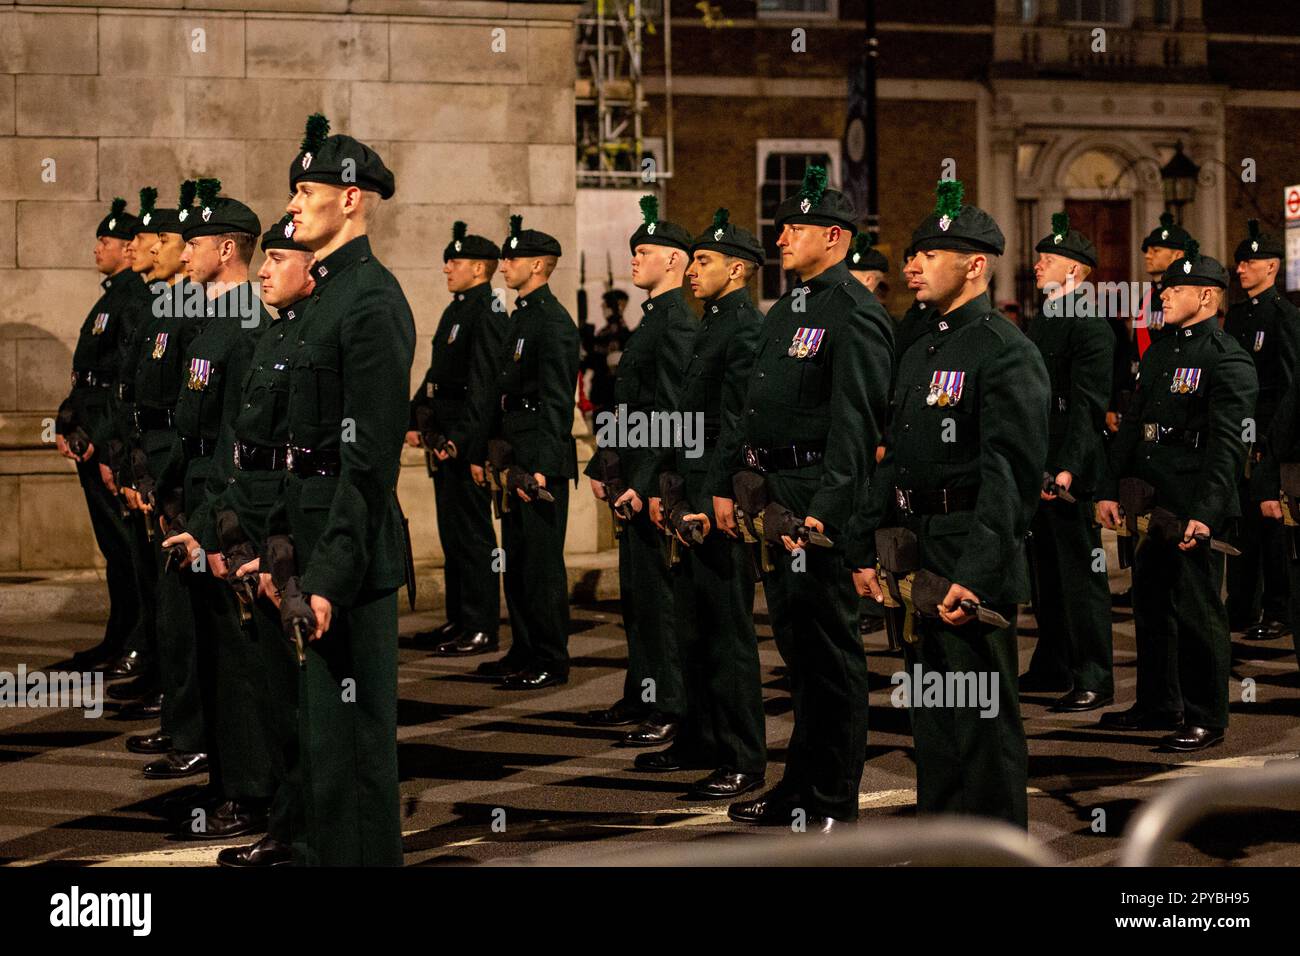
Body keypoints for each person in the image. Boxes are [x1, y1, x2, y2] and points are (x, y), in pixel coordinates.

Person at [849, 180, 1049, 827]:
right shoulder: (921, 348)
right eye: (913, 252)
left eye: (931, 253)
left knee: (982, 718)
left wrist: (978, 575)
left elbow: (1010, 478)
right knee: (933, 714)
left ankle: (995, 850)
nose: (912, 264)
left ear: (975, 264)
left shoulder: (1004, 351)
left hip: (967, 554)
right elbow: (894, 457)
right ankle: (944, 838)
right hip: (916, 552)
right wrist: (866, 549)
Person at [264, 113, 415, 865]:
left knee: (354, 756)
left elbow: (369, 460)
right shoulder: (322, 299)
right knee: (324, 747)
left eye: (306, 190)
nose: (293, 206)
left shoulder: (371, 302)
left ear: (351, 199)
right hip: (312, 543)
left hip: (346, 562)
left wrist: (327, 573)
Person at [724, 166, 893, 831]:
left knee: (832, 659)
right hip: (777, 494)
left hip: (818, 500)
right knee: (799, 655)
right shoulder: (790, 306)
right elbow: (756, 409)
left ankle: (831, 802)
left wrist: (828, 510)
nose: (782, 235)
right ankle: (799, 786)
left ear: (835, 236)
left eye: (796, 227)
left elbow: (857, 425)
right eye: (783, 225)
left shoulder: (855, 311)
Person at [1096, 240, 1257, 751]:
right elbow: (1134, 423)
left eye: (1176, 289)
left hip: (1192, 504)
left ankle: (1207, 715)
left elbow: (1228, 445)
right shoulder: (1163, 349)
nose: (1163, 296)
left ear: (1208, 298)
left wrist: (1206, 514)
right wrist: (1109, 487)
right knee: (1150, 604)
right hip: (1153, 498)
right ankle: (1157, 702)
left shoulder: (1225, 357)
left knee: (1197, 612)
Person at [634, 207, 766, 800]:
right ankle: (698, 736)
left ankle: (742, 756)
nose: (693, 270)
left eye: (704, 261)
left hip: (715, 501)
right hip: (687, 496)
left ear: (737, 270)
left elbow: (735, 422)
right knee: (692, 628)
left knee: (727, 635)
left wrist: (709, 493)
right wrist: (666, 482)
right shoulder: (711, 322)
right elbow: (680, 416)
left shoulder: (744, 328)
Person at [583, 196, 695, 743]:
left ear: (673, 260)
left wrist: (646, 484)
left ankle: (670, 702)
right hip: (630, 477)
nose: (635, 260)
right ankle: (642, 692)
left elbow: (673, 413)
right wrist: (605, 466)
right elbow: (628, 407)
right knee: (636, 597)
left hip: (654, 486)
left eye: (644, 251)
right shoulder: (652, 320)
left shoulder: (676, 322)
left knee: (658, 602)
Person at [472, 214, 580, 690]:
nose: (503, 266)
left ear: (538, 265)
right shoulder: (521, 316)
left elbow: (558, 399)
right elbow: (502, 389)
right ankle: (524, 648)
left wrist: (538, 466)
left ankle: (550, 658)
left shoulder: (553, 323)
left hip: (538, 458)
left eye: (511, 258)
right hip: (514, 454)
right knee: (515, 560)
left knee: (540, 566)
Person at [1020, 212, 1115, 711]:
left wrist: (1068, 468)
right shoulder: (1048, 315)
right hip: (1042, 460)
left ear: (1075, 271)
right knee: (1048, 577)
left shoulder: (1089, 322)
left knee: (1081, 576)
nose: (1038, 266)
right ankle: (1053, 663)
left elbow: (1087, 406)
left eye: (1048, 259)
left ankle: (1094, 674)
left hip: (1068, 469)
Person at [407, 221, 505, 656]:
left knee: (473, 535)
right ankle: (459, 618)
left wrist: (464, 441)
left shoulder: (488, 311)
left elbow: (483, 387)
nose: (447, 267)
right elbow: (437, 376)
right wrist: (413, 417)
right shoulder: (456, 309)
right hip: (441, 436)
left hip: (462, 440)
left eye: (456, 261)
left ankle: (482, 624)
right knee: (452, 534)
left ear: (481, 269)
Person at [57, 197, 145, 673]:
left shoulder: (131, 299)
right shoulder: (112, 296)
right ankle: (119, 636)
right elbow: (88, 373)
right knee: (114, 548)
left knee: (126, 548)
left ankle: (133, 641)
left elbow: (124, 380)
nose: (97, 248)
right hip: (90, 435)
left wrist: (108, 441)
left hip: (106, 441)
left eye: (105, 240)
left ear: (130, 247)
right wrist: (67, 419)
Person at [1223, 219, 1297, 641]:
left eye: (1250, 262)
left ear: (1271, 267)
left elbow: (1287, 387)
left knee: (1272, 527)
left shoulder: (1284, 317)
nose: (1241, 269)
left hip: (1266, 436)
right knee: (1243, 525)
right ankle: (1242, 603)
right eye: (1239, 263)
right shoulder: (1236, 317)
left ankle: (1278, 608)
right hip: (1239, 432)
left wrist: (1270, 441)